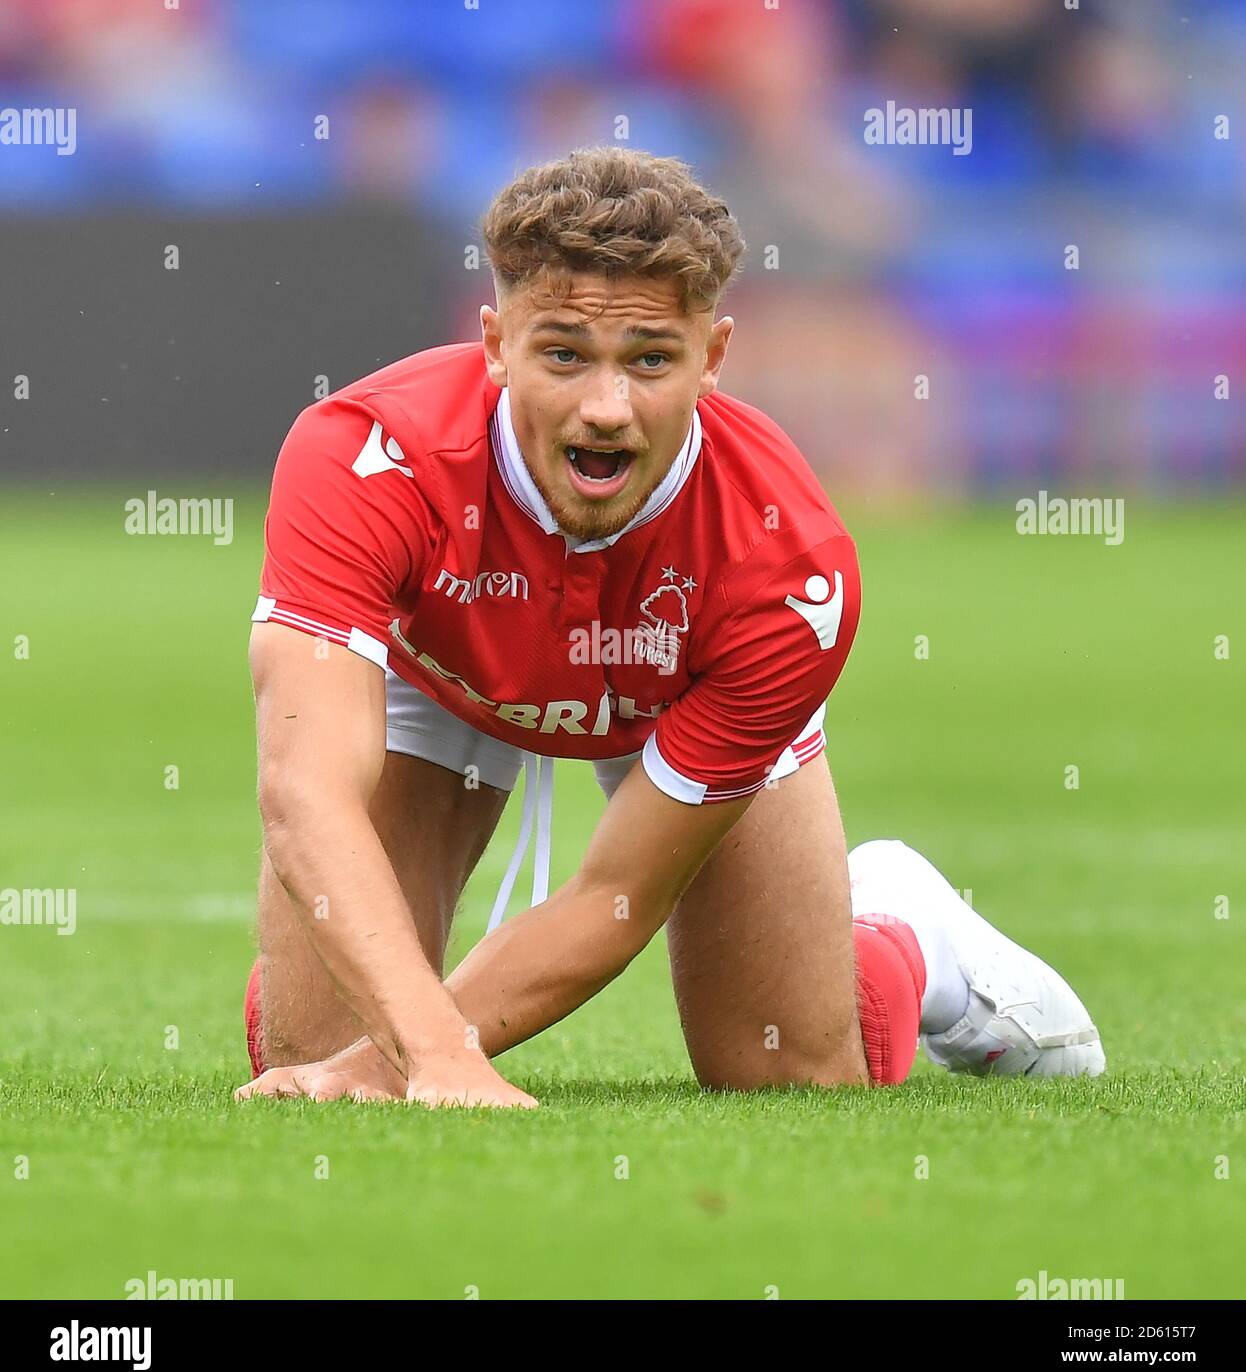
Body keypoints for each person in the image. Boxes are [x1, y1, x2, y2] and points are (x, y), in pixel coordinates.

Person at [235, 147, 1103, 1108]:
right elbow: (306, 794)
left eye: (650, 359)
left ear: (714, 357)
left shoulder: (787, 565)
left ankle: (903, 930)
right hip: (442, 671)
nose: (605, 409)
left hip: (672, 688)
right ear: (493, 344)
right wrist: (412, 1049)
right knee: (309, 1051)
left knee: (784, 1073)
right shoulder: (361, 456)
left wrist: (416, 1056)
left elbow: (618, 895)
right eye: (563, 354)